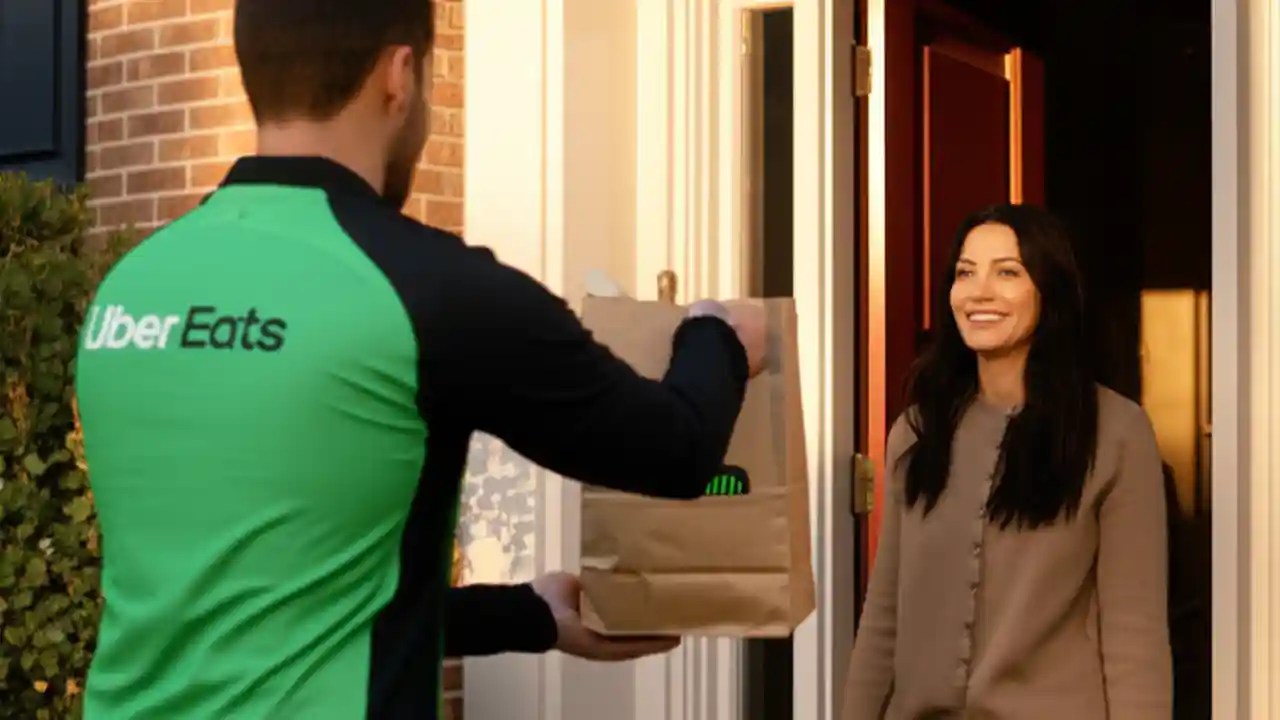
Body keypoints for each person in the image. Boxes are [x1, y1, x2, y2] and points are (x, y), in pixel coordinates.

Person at [72, 1, 767, 718]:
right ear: (399, 76)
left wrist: (528, 615)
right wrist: (719, 335)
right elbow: (676, 451)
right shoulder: (430, 291)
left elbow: (264, 605)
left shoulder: (129, 293)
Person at [841, 204, 1172, 719]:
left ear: (1050, 290)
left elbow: (1136, 637)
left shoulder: (1117, 433)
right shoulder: (917, 430)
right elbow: (884, 619)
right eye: (965, 273)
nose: (979, 292)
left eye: (1008, 272)